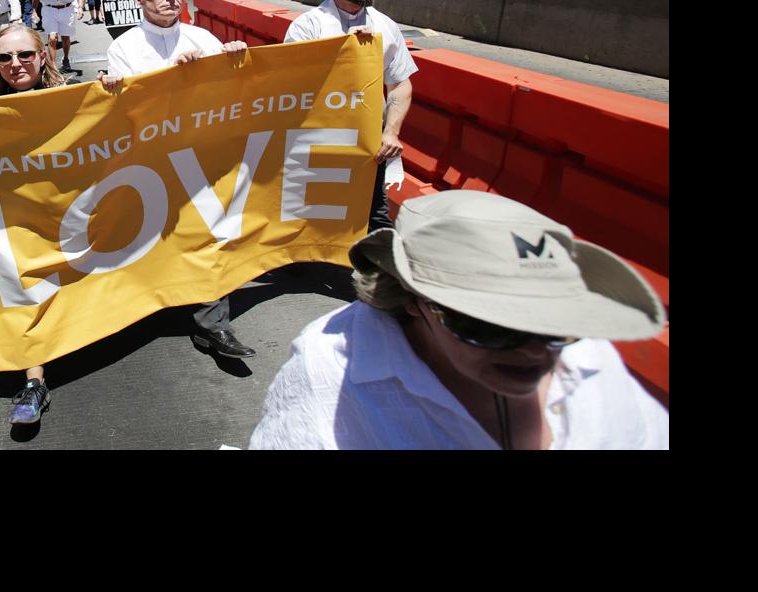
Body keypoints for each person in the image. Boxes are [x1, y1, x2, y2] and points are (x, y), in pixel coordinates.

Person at [249, 190, 669, 449]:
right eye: (489, 326)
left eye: (556, 323)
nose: (536, 350)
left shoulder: (591, 356)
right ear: (413, 301)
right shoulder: (332, 368)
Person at [99, 0, 258, 360]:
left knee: (211, 235)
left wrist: (235, 61)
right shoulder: (124, 48)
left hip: (202, 160)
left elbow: (232, 98)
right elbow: (132, 112)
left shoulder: (204, 38)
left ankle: (213, 326)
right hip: (150, 163)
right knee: (151, 239)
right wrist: (175, 79)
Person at [0, 23, 68, 425]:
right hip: (15, 220)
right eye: (4, 57)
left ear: (43, 56)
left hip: (66, 214)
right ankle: (34, 380)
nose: (15, 64)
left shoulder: (74, 98)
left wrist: (111, 91)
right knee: (18, 286)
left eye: (25, 55)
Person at [284, 0, 416, 239]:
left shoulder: (385, 26)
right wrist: (345, 52)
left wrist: (391, 132)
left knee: (375, 212)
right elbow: (295, 84)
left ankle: (381, 279)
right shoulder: (307, 27)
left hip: (369, 137)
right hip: (317, 136)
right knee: (308, 209)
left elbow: (401, 84)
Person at [30, 0, 83, 74]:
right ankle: (53, 65)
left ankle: (65, 58)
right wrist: (33, 10)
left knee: (65, 38)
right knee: (52, 38)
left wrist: (80, 7)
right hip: (49, 10)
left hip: (67, 9)